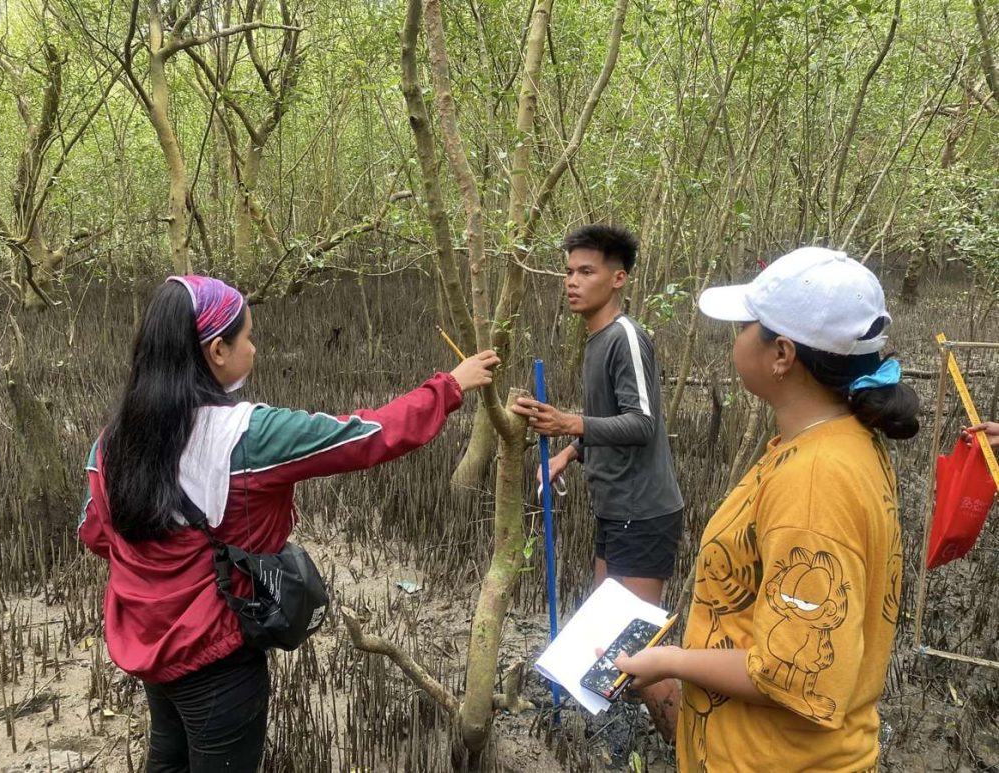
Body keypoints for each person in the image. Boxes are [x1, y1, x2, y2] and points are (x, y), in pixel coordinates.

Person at [78, 275, 499, 772]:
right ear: (216, 350)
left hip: (147, 643)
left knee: (166, 759)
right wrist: (449, 387)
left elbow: (95, 532)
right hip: (216, 657)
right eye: (249, 337)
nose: (253, 348)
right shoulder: (249, 436)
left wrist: (160, 573)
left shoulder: (112, 440)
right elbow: (366, 437)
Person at [609, 247, 919, 771]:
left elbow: (796, 674)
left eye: (748, 325)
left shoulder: (815, 480)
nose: (737, 337)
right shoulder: (842, 439)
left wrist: (669, 662)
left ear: (781, 354)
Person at [512, 224, 684, 607]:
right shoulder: (597, 340)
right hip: (614, 508)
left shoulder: (625, 336)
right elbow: (608, 422)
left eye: (586, 272)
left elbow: (641, 423)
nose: (572, 282)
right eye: (569, 272)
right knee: (607, 630)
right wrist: (567, 454)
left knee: (633, 641)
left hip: (643, 511)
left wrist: (567, 422)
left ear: (618, 279)